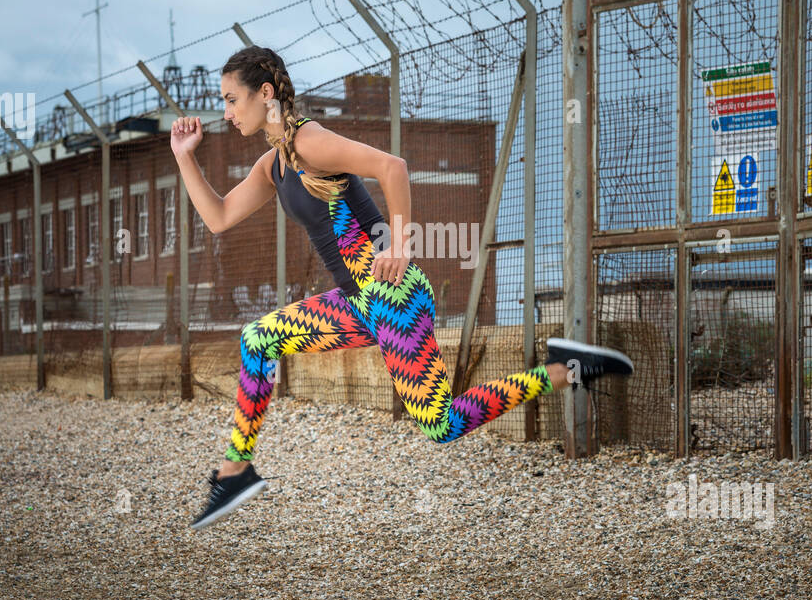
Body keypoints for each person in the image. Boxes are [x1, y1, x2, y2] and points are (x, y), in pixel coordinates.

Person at [172, 46, 634, 529]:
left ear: (264, 94)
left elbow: (392, 166)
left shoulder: (309, 141)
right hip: (357, 302)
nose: (226, 113)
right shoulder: (274, 166)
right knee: (258, 339)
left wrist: (400, 244)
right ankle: (237, 469)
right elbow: (219, 216)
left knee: (441, 426)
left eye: (231, 99)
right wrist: (185, 158)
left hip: (393, 297)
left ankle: (562, 369)